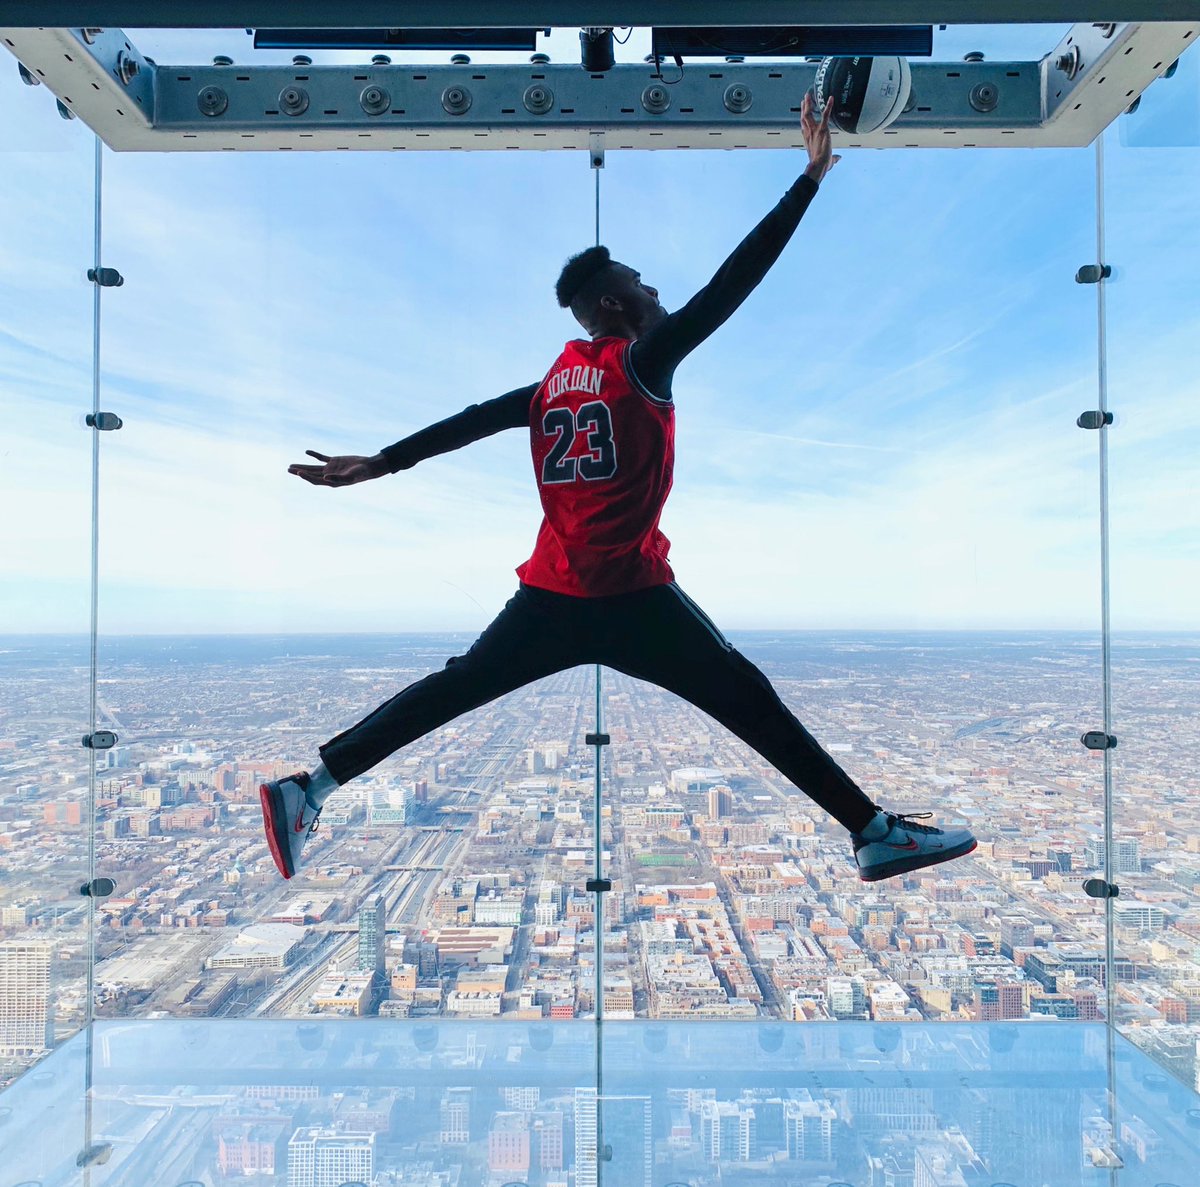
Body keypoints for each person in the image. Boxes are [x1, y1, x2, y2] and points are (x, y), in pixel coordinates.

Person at [259, 93, 976, 884]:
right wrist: (808, 180)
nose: (656, 290)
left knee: (451, 689)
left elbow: (470, 420)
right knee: (751, 702)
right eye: (641, 282)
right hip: (633, 599)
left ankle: (310, 786)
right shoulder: (639, 363)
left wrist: (384, 461)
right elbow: (731, 285)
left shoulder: (549, 386)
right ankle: (874, 832)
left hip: (550, 597)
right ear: (614, 304)